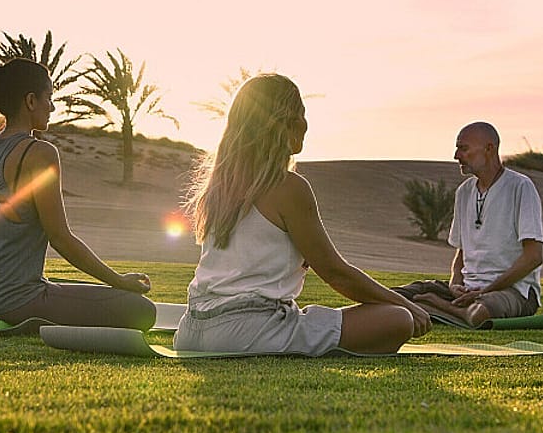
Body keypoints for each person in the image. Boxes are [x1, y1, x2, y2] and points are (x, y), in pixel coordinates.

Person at [174, 74, 430, 356]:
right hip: (251, 331)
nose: (306, 124)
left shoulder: (218, 189)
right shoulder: (289, 187)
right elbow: (336, 274)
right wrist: (406, 304)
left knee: (315, 316)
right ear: (289, 122)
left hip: (192, 330)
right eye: (302, 114)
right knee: (397, 319)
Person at [0, 59, 156, 329]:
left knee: (65, 290)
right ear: (30, 101)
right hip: (12, 301)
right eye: (48, 97)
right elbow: (60, 238)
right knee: (140, 310)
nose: (52, 106)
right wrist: (118, 281)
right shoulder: (39, 153)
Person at [392, 121, 543, 327]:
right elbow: (461, 254)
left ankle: (435, 306)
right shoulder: (464, 192)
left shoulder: (520, 187)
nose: (456, 156)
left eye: (463, 148)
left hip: (513, 292)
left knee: (481, 313)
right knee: (393, 296)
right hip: (466, 289)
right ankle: (443, 307)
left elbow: (533, 257)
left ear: (489, 149)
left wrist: (485, 291)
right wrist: (455, 284)